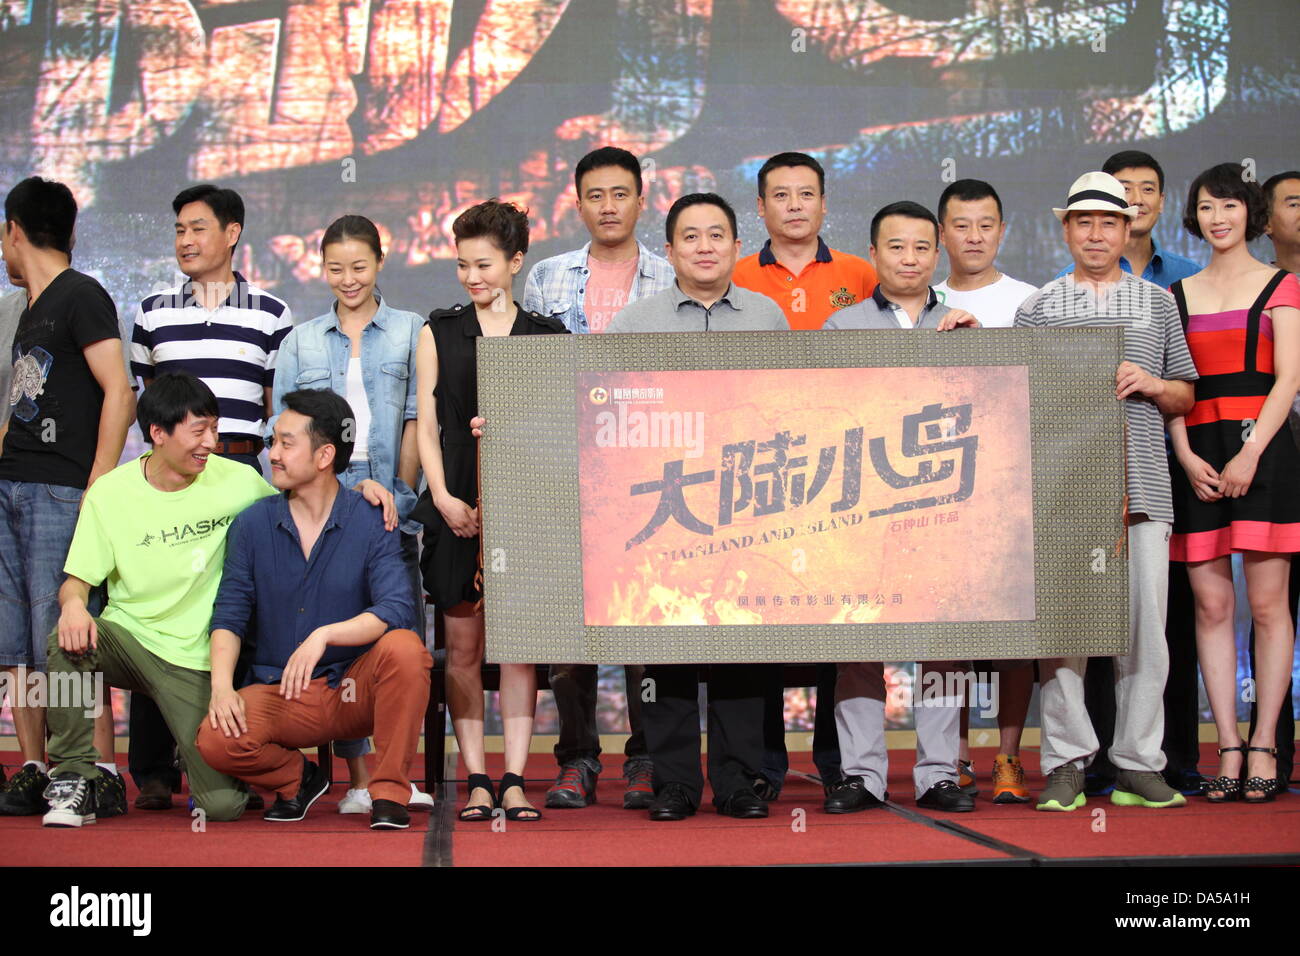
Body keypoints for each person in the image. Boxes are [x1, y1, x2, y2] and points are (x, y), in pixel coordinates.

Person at [1016, 171, 1197, 812]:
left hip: (1142, 487)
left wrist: (1152, 382)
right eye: (1084, 222)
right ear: (1066, 230)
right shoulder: (1039, 307)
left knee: (1146, 635)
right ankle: (1066, 762)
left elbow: (1185, 394)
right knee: (1064, 633)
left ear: (1128, 229)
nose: (1096, 234)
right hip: (1063, 493)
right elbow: (1020, 398)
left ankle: (1139, 764)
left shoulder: (1159, 304)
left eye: (1109, 222)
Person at [607, 191, 788, 821]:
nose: (704, 247)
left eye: (716, 235)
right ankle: (675, 783)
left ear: (737, 245)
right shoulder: (634, 323)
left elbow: (788, 407)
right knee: (667, 645)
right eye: (690, 236)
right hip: (665, 505)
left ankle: (738, 781)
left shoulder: (767, 317)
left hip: (748, 503)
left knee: (744, 644)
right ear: (670, 249)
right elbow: (613, 413)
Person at [38, 373, 274, 826]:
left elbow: (303, 503)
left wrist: (364, 491)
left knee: (222, 807)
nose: (211, 443)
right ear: (159, 433)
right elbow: (76, 582)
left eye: (214, 428)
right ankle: (71, 776)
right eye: (199, 431)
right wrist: (73, 605)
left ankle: (203, 760)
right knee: (65, 642)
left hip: (197, 660)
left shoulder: (241, 481)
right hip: (130, 642)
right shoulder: (110, 492)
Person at [126, 184, 293, 811]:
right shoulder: (152, 313)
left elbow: (278, 409)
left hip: (240, 477)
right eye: (179, 230)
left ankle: (235, 754)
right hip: (168, 480)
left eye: (198, 228)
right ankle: (153, 769)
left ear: (232, 233)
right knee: (155, 609)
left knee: (239, 609)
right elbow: (145, 408)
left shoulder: (272, 314)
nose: (186, 240)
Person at [197, 389, 431, 829]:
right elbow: (229, 613)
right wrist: (222, 687)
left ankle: (388, 793)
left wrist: (325, 635)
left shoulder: (371, 517)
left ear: (325, 455)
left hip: (352, 689)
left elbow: (396, 607)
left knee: (405, 647)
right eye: (273, 442)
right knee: (214, 739)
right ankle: (299, 780)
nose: (273, 454)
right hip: (282, 691)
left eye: (287, 444)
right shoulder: (252, 524)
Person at [521, 146, 670, 810]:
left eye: (620, 194)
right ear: (577, 203)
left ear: (642, 199)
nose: (609, 207)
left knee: (643, 624)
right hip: (566, 468)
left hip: (650, 471)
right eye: (596, 196)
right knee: (568, 626)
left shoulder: (669, 276)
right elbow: (528, 374)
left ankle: (646, 758)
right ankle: (577, 758)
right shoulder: (547, 277)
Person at [820, 200, 980, 813]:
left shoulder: (963, 325)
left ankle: (941, 772)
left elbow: (985, 411)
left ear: (937, 253)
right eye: (895, 247)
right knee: (858, 641)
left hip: (945, 507)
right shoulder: (842, 328)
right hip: (864, 508)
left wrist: (976, 351)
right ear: (873, 253)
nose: (909, 259)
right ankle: (863, 775)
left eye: (920, 247)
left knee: (945, 642)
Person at [270, 215, 431, 815]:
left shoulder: (411, 330)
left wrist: (397, 493)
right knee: (336, 633)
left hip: (389, 499)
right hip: (321, 496)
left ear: (380, 262)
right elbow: (282, 427)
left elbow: (416, 419)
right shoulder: (301, 341)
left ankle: (392, 774)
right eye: (336, 268)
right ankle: (358, 780)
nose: (349, 279)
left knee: (396, 634)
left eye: (359, 266)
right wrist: (329, 493)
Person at [413, 199, 567, 823]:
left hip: (527, 506)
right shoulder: (439, 331)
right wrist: (443, 498)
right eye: (462, 265)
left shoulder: (547, 337)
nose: (472, 277)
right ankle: (476, 777)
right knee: (462, 647)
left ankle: (514, 779)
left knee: (520, 649)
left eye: (483, 264)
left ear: (515, 262)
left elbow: (561, 430)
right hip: (456, 501)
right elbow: (425, 425)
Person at [732, 151, 878, 803]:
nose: (794, 206)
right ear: (760, 207)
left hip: (842, 472)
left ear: (824, 203)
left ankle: (836, 762)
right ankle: (762, 765)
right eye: (781, 195)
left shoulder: (860, 275)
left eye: (806, 194)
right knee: (761, 615)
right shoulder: (736, 275)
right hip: (757, 471)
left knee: (836, 619)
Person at [0, 177, 134, 818]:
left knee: (66, 634)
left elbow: (120, 392)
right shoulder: (29, 306)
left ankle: (96, 769)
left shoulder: (81, 294)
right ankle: (35, 764)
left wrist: (98, 485)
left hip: (61, 489)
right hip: (11, 484)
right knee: (15, 641)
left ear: (14, 230)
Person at [1166, 163, 1299, 803]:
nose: (1218, 218)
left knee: (1269, 606)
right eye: (1206, 207)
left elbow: (1289, 379)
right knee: (1212, 607)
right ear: (1194, 218)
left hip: (1263, 452)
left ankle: (1265, 742)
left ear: (1251, 213)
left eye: (1229, 205)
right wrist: (1184, 454)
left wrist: (1250, 453)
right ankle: (1226, 746)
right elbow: (1173, 387)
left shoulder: (1282, 285)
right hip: (1198, 455)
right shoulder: (1178, 294)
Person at [933, 178, 1039, 802]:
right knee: (944, 632)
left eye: (985, 225)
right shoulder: (923, 299)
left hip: (1011, 488)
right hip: (935, 490)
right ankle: (950, 757)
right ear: (941, 233)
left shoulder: (1030, 302)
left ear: (1003, 231)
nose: (973, 237)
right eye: (961, 225)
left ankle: (1007, 757)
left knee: (1013, 634)